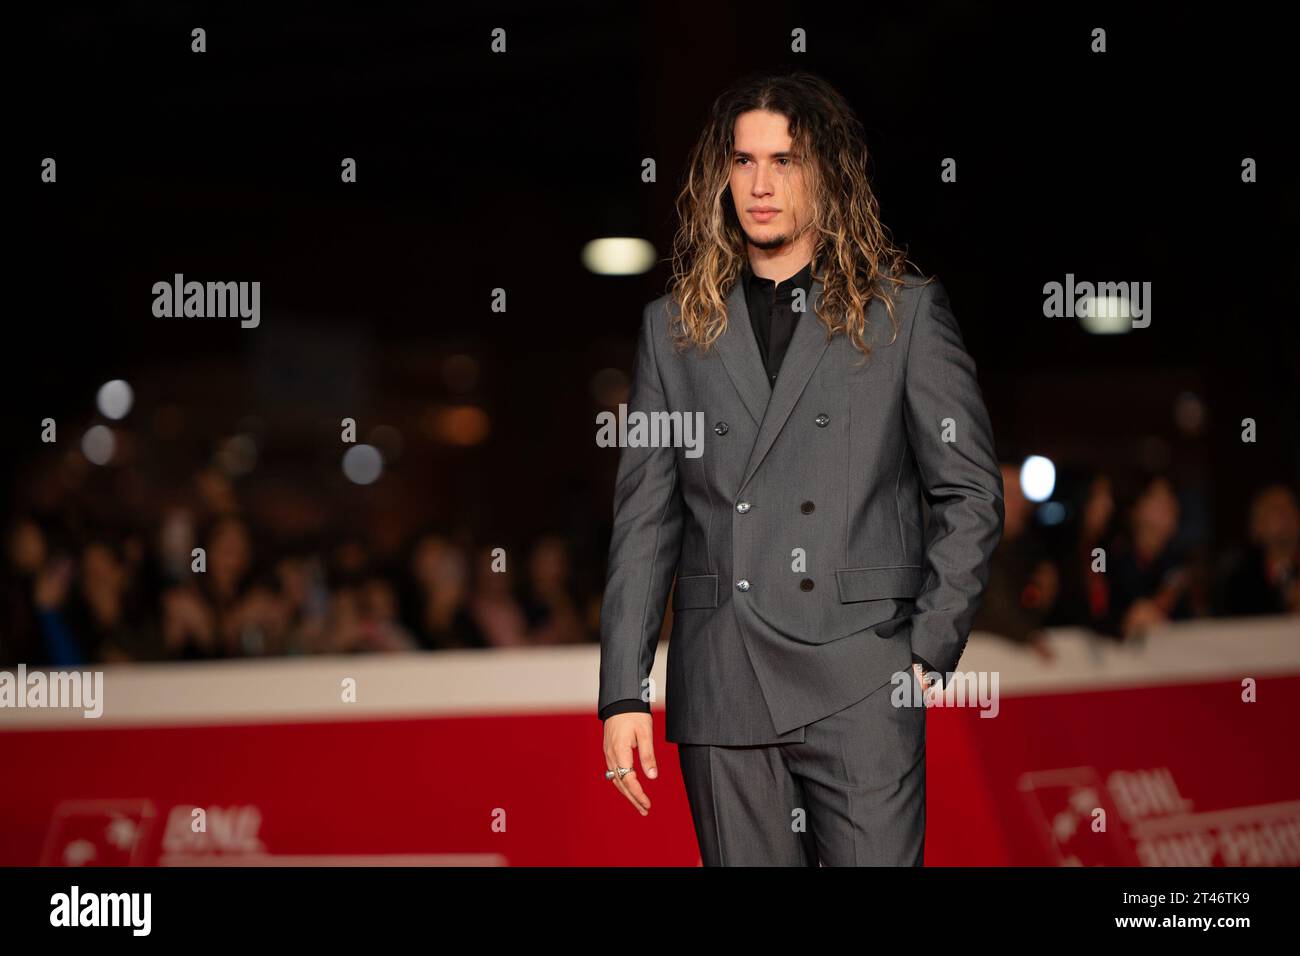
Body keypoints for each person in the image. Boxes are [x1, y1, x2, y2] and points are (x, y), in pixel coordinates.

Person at [597, 68, 1003, 865]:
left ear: (828, 174)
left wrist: (924, 647)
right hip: (723, 683)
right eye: (744, 162)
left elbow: (971, 490)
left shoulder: (902, 313)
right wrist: (622, 690)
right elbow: (645, 518)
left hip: (860, 675)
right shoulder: (672, 330)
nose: (761, 184)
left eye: (784, 161)